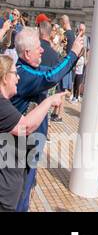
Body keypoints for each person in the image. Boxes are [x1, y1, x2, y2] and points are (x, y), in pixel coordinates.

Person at [9, 25, 82, 212]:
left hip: (28, 146)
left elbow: (55, 71)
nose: (42, 49)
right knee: (20, 197)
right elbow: (50, 76)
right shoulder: (24, 73)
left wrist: (75, 53)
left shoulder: (29, 68)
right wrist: (72, 54)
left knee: (25, 190)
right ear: (26, 53)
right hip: (19, 149)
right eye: (38, 48)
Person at [0, 54, 66, 211]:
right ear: (4, 78)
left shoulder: (5, 104)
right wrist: (49, 101)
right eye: (14, 74)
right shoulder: (1, 106)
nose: (18, 78)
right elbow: (25, 127)